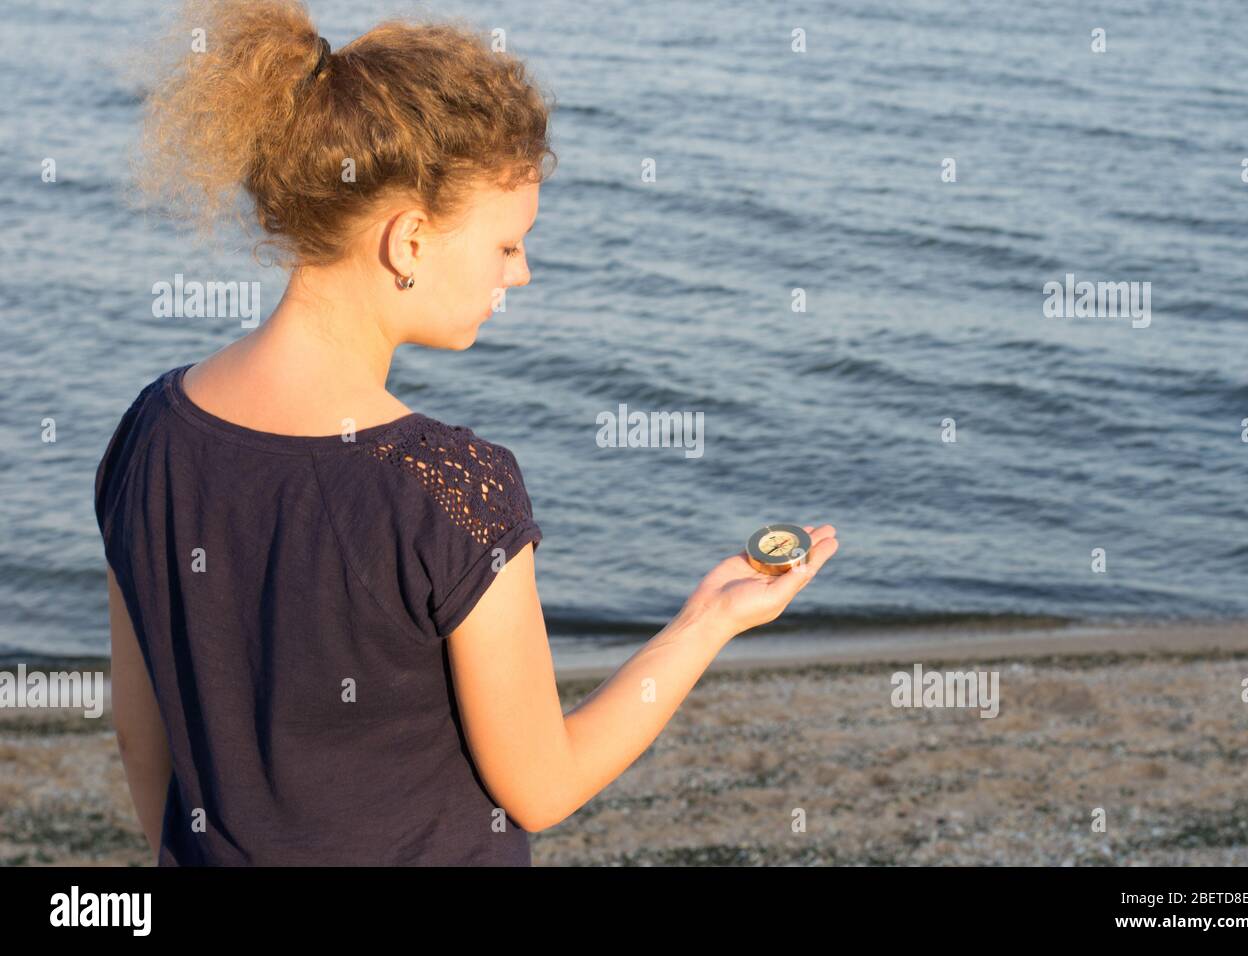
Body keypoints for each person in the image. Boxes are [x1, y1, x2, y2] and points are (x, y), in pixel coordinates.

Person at [96, 0, 839, 866]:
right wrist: (704, 625)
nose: (520, 274)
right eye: (506, 246)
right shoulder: (451, 488)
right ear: (409, 239)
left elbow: (141, 730)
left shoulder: (150, 430)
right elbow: (542, 785)